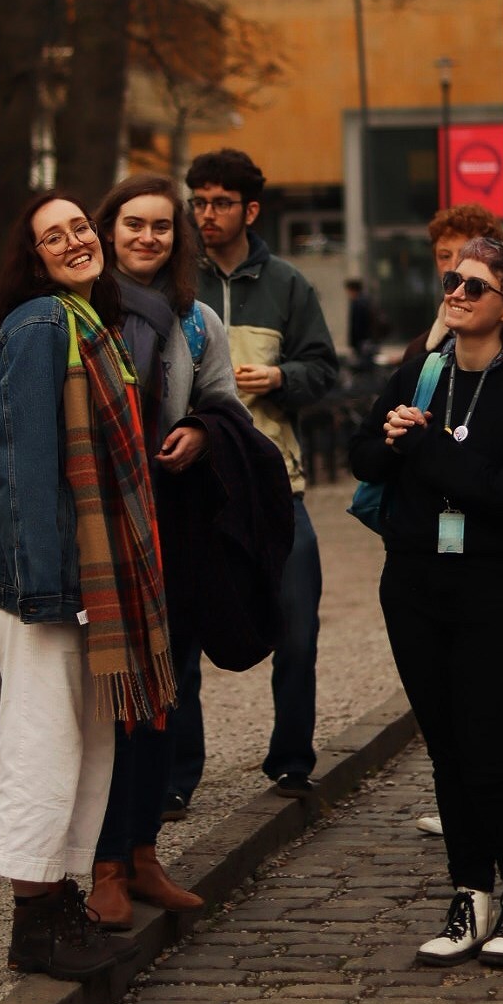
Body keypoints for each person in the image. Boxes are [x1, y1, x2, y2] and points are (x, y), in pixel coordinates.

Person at [0, 191, 176, 980]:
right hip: (42, 577)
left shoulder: (91, 325)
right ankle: (33, 921)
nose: (77, 241)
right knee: (43, 741)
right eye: (55, 237)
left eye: (81, 227)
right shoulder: (42, 325)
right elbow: (19, 456)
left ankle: (57, 904)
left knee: (86, 740)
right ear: (35, 258)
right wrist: (42, 582)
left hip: (80, 573)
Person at [350, 237, 503, 968]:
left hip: (502, 591)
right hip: (416, 586)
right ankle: (470, 893)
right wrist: (390, 436)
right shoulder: (424, 372)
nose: (457, 293)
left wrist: (427, 449)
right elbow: (362, 459)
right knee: (445, 752)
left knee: (484, 754)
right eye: (451, 280)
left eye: (474, 286)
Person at [84, 173, 241, 929]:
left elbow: (228, 410)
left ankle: (144, 854)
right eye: (134, 224)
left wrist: (204, 431)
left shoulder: (198, 320)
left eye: (162, 228)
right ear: (107, 229)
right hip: (99, 529)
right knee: (109, 705)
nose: (148, 238)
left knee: (161, 701)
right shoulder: (75, 312)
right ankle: (104, 862)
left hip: (171, 530)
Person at [165, 148, 339, 812]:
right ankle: (179, 776)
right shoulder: (174, 285)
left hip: (278, 486)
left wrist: (281, 379)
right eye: (199, 202)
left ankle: (292, 762)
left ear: (251, 210)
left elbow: (324, 371)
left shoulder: (289, 285)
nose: (207, 215)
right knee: (180, 641)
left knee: (297, 629)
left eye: (221, 203)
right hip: (195, 489)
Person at [402, 202, 503, 837]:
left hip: (500, 547)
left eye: (472, 274)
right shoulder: (431, 345)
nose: (457, 283)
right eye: (447, 266)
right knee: (454, 687)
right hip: (437, 546)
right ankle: (470, 798)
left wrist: (453, 463)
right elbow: (391, 431)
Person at [344, 276, 377, 372]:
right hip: (368, 339)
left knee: (363, 366)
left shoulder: (357, 303)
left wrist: (353, 342)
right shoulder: (366, 300)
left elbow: (356, 325)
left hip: (361, 340)